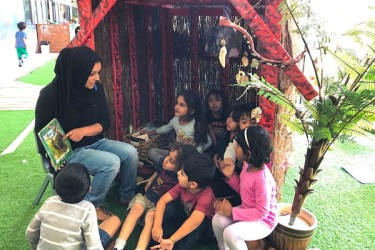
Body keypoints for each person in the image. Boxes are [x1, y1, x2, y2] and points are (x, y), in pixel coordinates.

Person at [34, 46, 138, 220]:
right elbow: (42, 131)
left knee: (131, 152)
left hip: (95, 141)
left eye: (98, 72)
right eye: (91, 74)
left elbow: (103, 123)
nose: (97, 78)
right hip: (68, 152)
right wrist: (54, 158)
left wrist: (83, 131)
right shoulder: (50, 94)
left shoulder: (96, 89)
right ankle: (90, 206)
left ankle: (126, 195)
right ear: (77, 72)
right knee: (111, 163)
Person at [113, 144, 198, 250]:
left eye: (171, 161)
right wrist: (152, 178)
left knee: (150, 221)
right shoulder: (164, 166)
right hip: (145, 198)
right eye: (167, 156)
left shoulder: (180, 180)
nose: (166, 160)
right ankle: (118, 246)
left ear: (181, 168)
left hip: (157, 208)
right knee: (136, 210)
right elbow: (158, 170)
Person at [25, 163, 121, 249]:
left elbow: (29, 234)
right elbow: (94, 247)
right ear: (89, 189)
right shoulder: (87, 209)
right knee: (115, 220)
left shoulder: (50, 201)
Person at [212, 126, 277, 249]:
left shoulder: (262, 179)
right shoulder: (247, 165)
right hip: (247, 210)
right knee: (217, 220)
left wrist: (232, 212)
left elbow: (262, 212)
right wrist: (231, 176)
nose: (235, 149)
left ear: (249, 153)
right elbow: (244, 191)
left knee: (231, 233)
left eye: (238, 146)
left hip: (263, 222)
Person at [151, 153, 216, 250]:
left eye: (182, 173)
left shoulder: (207, 196)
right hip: (187, 217)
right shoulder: (183, 185)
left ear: (193, 184)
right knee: (170, 208)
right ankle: (158, 242)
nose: (178, 173)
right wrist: (157, 225)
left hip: (204, 230)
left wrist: (172, 240)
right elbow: (163, 200)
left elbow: (195, 221)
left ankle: (175, 246)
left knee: (199, 227)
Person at [146, 89, 212, 163]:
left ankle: (170, 167)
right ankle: (166, 164)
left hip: (190, 158)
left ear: (191, 111)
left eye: (182, 105)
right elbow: (166, 128)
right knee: (151, 152)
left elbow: (208, 142)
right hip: (176, 154)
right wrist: (150, 133)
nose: (176, 107)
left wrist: (196, 153)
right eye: (177, 103)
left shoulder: (197, 123)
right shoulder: (175, 120)